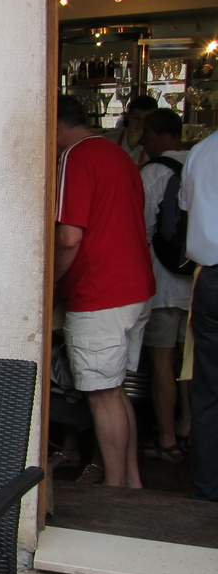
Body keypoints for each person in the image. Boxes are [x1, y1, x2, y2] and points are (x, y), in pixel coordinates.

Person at [55, 95, 155, 488]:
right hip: (135, 287)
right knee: (116, 393)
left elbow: (68, 237)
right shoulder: (119, 156)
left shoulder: (77, 157)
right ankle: (131, 483)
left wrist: (54, 287)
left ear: (57, 125)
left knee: (101, 397)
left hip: (102, 292)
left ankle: (114, 493)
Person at [140, 109, 192, 463]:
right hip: (197, 280)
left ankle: (167, 438)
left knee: (161, 362)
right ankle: (190, 425)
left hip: (162, 282)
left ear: (155, 135)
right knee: (189, 363)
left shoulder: (154, 173)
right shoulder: (203, 161)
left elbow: (139, 230)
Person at [180, 128, 218, 500]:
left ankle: (208, 487)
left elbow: (187, 206)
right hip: (210, 279)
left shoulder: (203, 151)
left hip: (212, 277)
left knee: (208, 390)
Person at [104, 94, 158, 166]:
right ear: (128, 116)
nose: (140, 124)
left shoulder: (156, 146)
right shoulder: (107, 141)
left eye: (145, 119)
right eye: (136, 118)